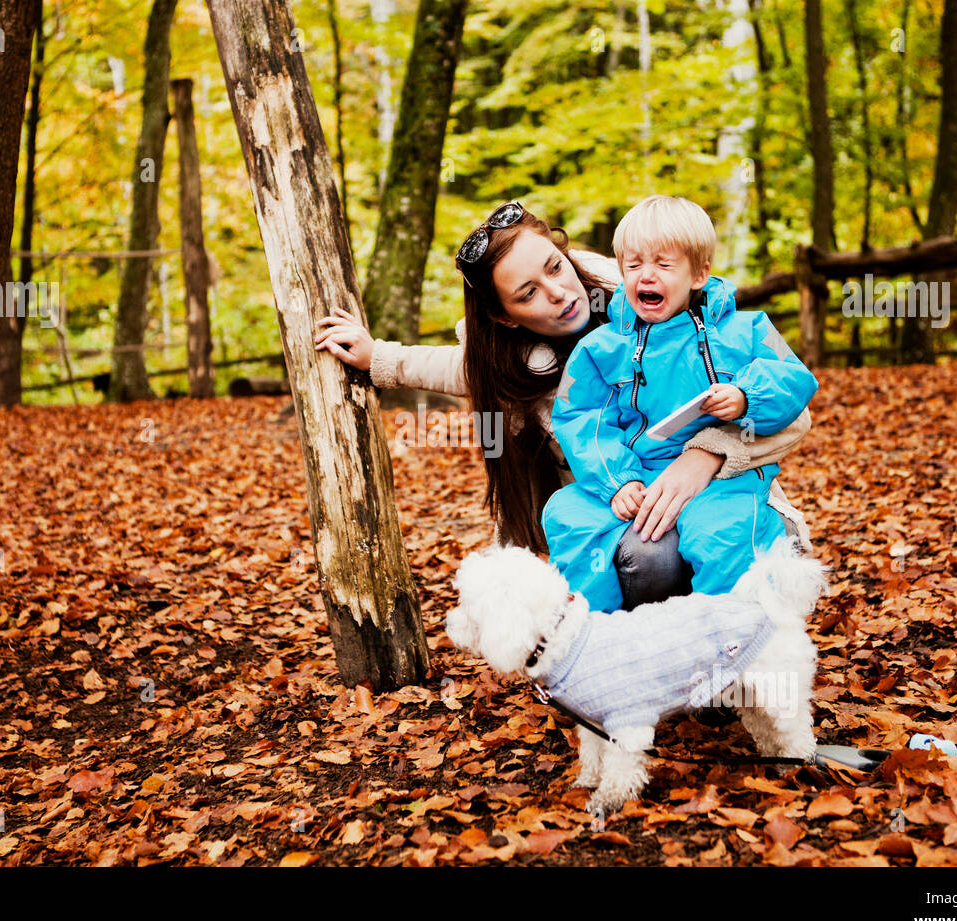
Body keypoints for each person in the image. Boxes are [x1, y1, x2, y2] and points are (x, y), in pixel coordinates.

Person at [314, 200, 813, 610]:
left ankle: (719, 650)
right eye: (528, 293)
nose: (558, 294)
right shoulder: (516, 370)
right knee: (641, 550)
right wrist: (377, 357)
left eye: (555, 267)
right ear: (505, 317)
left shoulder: (659, 298)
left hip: (724, 499)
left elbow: (791, 406)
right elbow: (453, 368)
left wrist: (704, 455)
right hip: (624, 507)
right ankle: (612, 651)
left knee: (700, 542)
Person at [544, 195, 818, 613]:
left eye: (662, 264)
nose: (645, 276)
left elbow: (793, 379)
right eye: (633, 265)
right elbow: (582, 419)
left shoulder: (744, 330)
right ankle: (592, 635)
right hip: (637, 476)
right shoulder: (601, 348)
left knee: (723, 532)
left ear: (699, 273)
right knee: (566, 512)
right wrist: (618, 481)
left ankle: (729, 637)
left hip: (722, 478)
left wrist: (746, 397)